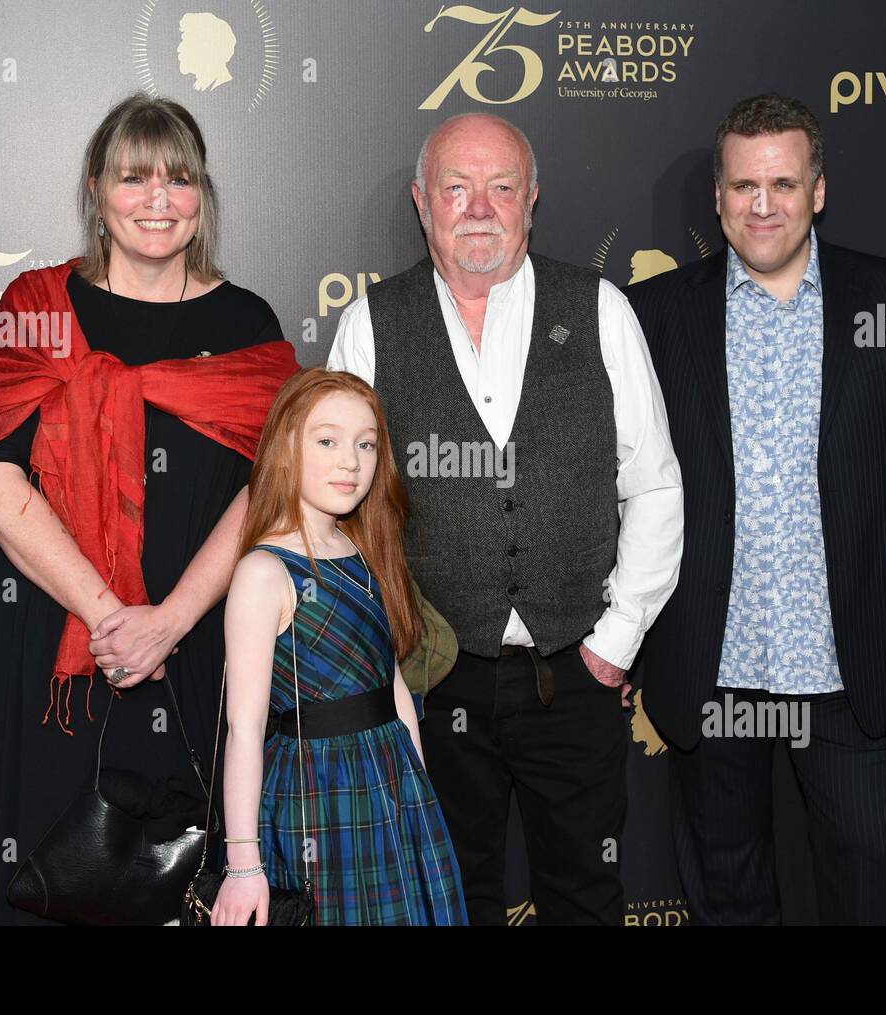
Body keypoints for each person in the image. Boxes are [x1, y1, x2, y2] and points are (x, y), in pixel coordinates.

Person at [0, 93, 298, 924]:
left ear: (203, 196)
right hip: (44, 649)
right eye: (134, 177)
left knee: (183, 880)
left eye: (178, 179)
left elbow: (268, 489)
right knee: (36, 871)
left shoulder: (246, 323)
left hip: (196, 647)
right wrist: (114, 620)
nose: (157, 199)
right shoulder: (39, 308)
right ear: (96, 190)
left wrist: (166, 621)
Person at [627, 93, 886, 924]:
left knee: (870, 896)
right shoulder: (656, 314)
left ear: (818, 191)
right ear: (717, 196)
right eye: (744, 185)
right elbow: (631, 482)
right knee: (729, 897)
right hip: (711, 661)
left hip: (851, 663)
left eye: (783, 184)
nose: (763, 205)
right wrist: (624, 628)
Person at [328, 112, 684, 925]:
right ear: (424, 203)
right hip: (431, 679)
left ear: (532, 201)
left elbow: (656, 487)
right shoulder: (371, 325)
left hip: (576, 674)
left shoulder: (598, 309)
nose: (478, 207)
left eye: (500, 187)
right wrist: (389, 653)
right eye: (457, 188)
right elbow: (334, 508)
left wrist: (614, 642)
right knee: (449, 899)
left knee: (584, 895)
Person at [212, 368, 468, 926]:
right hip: (317, 792)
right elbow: (245, 727)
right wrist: (242, 863)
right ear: (285, 448)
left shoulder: (359, 548)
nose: (350, 460)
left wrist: (418, 793)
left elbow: (393, 684)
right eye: (326, 440)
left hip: (392, 784)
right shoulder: (263, 571)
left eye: (366, 444)